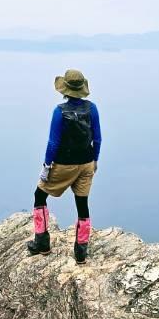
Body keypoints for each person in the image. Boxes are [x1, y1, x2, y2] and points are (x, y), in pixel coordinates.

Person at [26, 68, 102, 263]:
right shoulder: (92, 108)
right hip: (86, 163)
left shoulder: (59, 111)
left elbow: (53, 143)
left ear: (65, 90)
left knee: (39, 195)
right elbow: (98, 139)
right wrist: (95, 160)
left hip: (64, 164)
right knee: (82, 204)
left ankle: (42, 242)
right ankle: (81, 252)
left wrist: (46, 166)